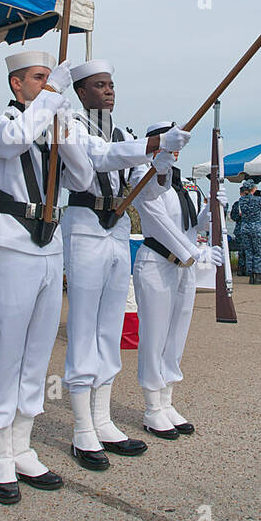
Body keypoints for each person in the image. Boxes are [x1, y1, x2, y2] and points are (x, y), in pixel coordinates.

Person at [0, 50, 93, 503]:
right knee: (9, 346)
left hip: (51, 243)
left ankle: (23, 445)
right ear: (16, 85)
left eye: (50, 78)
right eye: (39, 79)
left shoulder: (50, 123)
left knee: (39, 349)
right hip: (13, 239)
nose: (48, 85)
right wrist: (50, 100)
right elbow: (13, 141)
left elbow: (81, 180)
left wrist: (65, 133)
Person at [60, 60, 185, 470]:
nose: (109, 91)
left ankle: (103, 419)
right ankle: (82, 429)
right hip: (84, 222)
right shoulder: (70, 122)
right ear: (80, 91)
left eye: (111, 84)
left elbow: (136, 178)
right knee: (84, 325)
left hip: (116, 225)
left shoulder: (122, 130)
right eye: (99, 85)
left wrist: (159, 165)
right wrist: (150, 146)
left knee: (110, 325)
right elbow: (97, 158)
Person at [133, 124, 225, 439]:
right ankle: (151, 408)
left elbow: (188, 225)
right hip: (157, 264)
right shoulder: (144, 179)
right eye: (169, 144)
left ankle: (167, 401)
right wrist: (196, 252)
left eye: (176, 146)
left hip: (183, 268)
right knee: (155, 337)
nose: (174, 151)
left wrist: (210, 212)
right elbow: (159, 224)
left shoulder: (180, 184)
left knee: (176, 337)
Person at [229, 180, 261, 284]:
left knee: (249, 252)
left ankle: (251, 276)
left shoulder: (241, 201)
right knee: (259, 251)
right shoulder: (258, 200)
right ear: (253, 189)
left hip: (244, 228)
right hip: (256, 228)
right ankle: (258, 275)